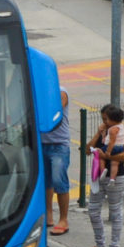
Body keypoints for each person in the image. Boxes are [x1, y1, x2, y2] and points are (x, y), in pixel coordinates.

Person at [85, 103, 124, 247]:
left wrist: (107, 156)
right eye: (103, 119)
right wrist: (98, 134)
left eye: (106, 119)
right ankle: (100, 244)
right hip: (98, 175)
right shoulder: (104, 132)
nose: (104, 122)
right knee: (93, 209)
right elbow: (87, 149)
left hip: (116, 177)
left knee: (115, 211)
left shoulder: (121, 132)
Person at [42, 88, 74, 236]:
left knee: (58, 180)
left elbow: (54, 114)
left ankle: (63, 219)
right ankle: (49, 214)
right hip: (42, 143)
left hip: (59, 144)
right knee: (46, 181)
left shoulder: (61, 93)